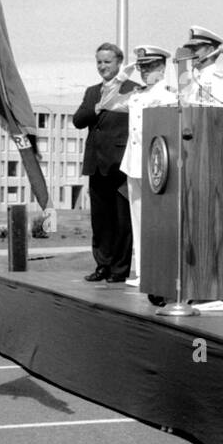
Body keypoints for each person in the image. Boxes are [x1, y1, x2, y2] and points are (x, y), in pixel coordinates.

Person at [73, 44, 138, 284]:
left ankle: (119, 270)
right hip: (96, 163)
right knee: (100, 221)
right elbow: (78, 120)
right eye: (99, 62)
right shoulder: (92, 92)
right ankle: (102, 265)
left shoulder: (133, 89)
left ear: (119, 63)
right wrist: (97, 107)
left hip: (121, 164)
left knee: (122, 220)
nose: (102, 67)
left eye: (107, 62)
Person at [113, 45, 176, 287]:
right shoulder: (136, 95)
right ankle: (142, 272)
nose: (144, 72)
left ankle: (157, 270)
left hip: (156, 164)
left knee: (157, 219)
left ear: (162, 67)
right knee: (137, 217)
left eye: (148, 66)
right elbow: (107, 102)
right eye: (141, 67)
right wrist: (122, 75)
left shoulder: (169, 96)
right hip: (133, 163)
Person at [177, 26, 223, 107]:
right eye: (190, 51)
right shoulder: (194, 81)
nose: (191, 54)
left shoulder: (219, 79)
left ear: (210, 51)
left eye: (194, 49)